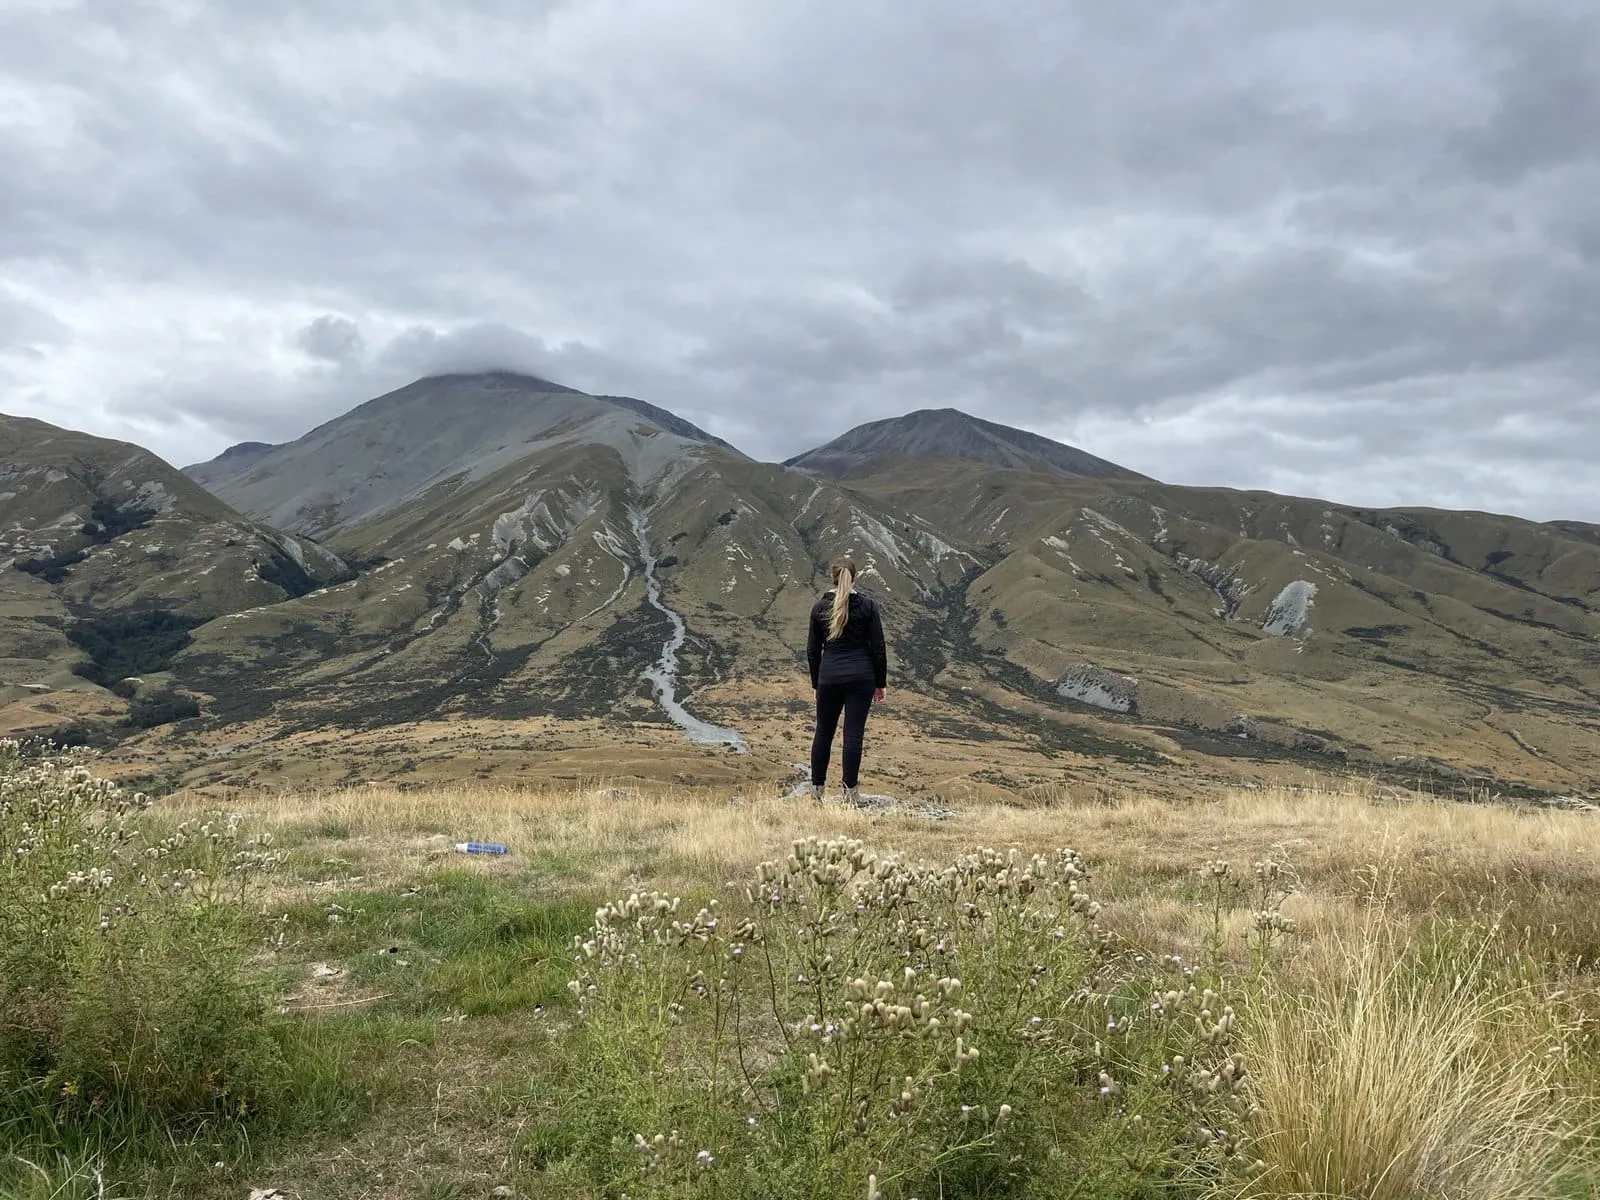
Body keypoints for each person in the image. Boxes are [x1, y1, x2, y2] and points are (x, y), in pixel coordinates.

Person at [806, 556, 887, 803]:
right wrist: (880, 683)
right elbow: (878, 648)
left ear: (832, 578)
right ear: (855, 577)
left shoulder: (819, 608)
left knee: (823, 732)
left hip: (829, 677)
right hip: (861, 677)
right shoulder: (867, 606)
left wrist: (816, 684)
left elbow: (812, 650)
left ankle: (816, 792)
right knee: (853, 735)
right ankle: (850, 794)